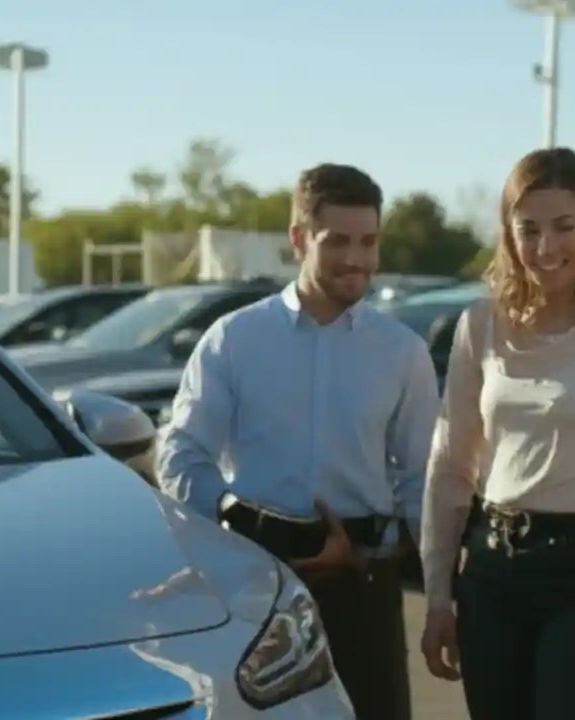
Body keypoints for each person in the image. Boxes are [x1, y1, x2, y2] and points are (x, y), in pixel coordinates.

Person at [157, 162, 441, 720]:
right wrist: (243, 528)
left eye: (369, 241)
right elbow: (182, 454)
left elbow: (419, 480)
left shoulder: (402, 352)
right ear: (298, 239)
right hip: (251, 578)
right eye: (337, 241)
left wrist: (376, 558)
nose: (357, 258)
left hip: (361, 583)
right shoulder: (234, 340)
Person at [419, 147, 575, 719]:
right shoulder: (479, 325)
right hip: (492, 572)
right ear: (508, 235)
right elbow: (450, 465)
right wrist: (438, 595)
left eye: (563, 226)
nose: (546, 247)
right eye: (527, 229)